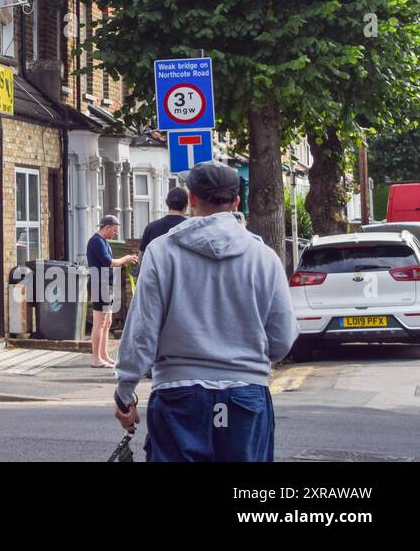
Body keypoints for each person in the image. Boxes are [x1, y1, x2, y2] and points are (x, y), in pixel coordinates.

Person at [114, 162, 298, 462]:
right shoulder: (264, 258)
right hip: (246, 395)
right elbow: (283, 337)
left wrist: (124, 392)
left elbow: (141, 332)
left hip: (178, 394)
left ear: (191, 199)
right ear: (236, 202)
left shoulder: (161, 252)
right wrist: (248, 361)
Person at [86, 215, 138, 367]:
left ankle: (104, 355)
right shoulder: (96, 242)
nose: (115, 234)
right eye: (114, 230)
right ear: (107, 227)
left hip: (105, 284)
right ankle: (96, 359)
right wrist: (126, 259)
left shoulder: (103, 242)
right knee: (99, 322)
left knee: (107, 322)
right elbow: (109, 262)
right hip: (99, 284)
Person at [136, 186, 189, 269]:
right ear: (186, 204)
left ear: (166, 202)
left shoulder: (151, 228)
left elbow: (141, 260)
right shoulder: (192, 228)